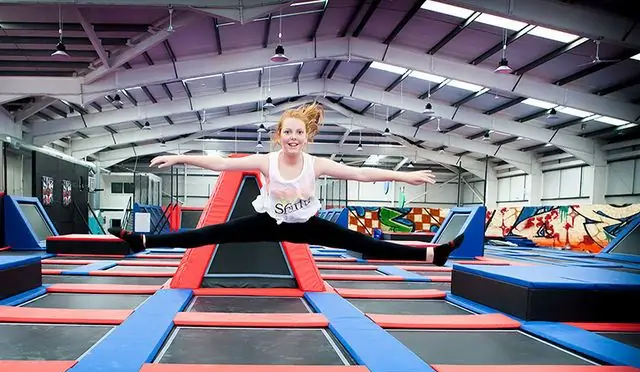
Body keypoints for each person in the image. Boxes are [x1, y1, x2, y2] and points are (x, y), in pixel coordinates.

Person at [108, 103, 464, 266]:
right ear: (279, 136)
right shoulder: (267, 161)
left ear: (306, 136)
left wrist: (405, 176)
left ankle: (434, 254)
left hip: (307, 225)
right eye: (287, 132)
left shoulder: (316, 163)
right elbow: (220, 162)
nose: (293, 137)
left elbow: (362, 175)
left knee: (363, 243)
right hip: (269, 221)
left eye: (299, 132)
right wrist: (181, 157)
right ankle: (142, 241)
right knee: (206, 234)